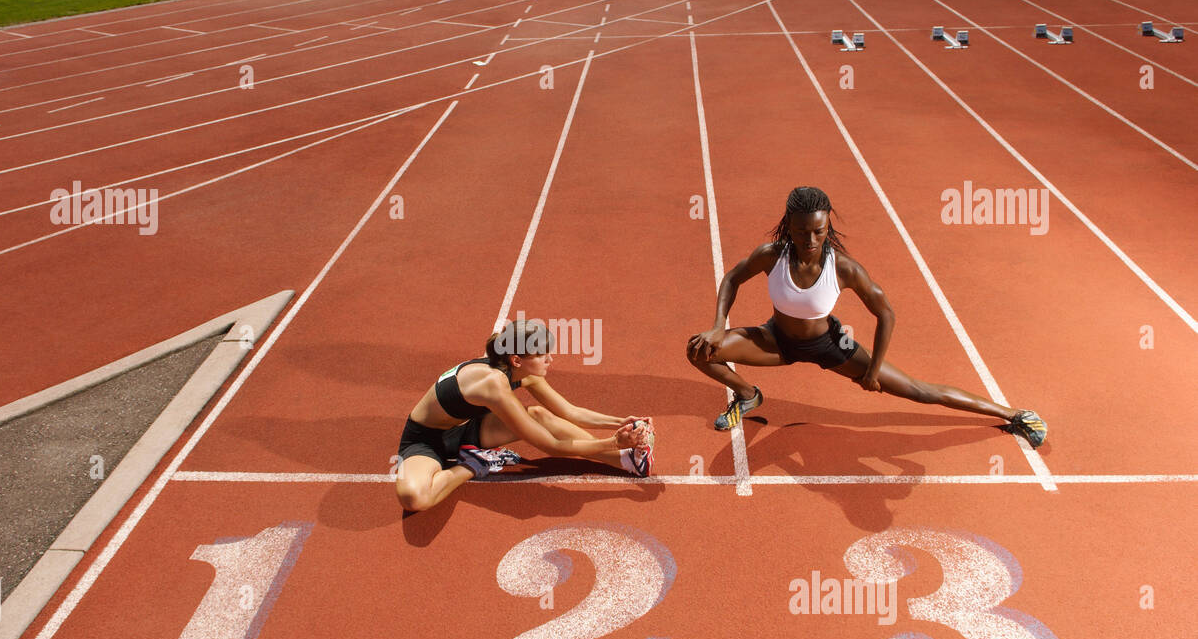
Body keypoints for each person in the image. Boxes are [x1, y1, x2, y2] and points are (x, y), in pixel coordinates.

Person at [686, 186, 1048, 447]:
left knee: (918, 391)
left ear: (828, 225)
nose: (810, 239)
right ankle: (749, 395)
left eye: (819, 230)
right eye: (800, 231)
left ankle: (1016, 413)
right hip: (775, 341)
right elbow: (733, 277)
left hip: (830, 345)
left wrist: (873, 370)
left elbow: (885, 314)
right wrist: (719, 327)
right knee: (699, 350)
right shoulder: (771, 255)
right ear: (788, 226)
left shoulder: (843, 268)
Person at [396, 319, 653, 512]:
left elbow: (570, 411)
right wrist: (611, 441)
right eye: (542, 355)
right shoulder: (493, 384)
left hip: (468, 429)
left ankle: (625, 460)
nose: (550, 359)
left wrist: (621, 422)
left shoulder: (520, 371)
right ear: (517, 360)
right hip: (427, 440)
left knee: (540, 415)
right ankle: (476, 463)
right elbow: (548, 445)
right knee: (414, 499)